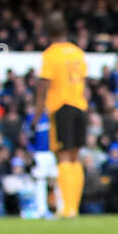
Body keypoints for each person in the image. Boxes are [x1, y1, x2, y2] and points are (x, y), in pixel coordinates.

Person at [36, 12, 87, 217]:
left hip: (62, 106)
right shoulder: (77, 52)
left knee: (63, 156)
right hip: (79, 105)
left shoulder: (50, 55)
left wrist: (37, 114)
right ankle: (74, 205)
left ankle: (68, 208)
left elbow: (43, 86)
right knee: (75, 157)